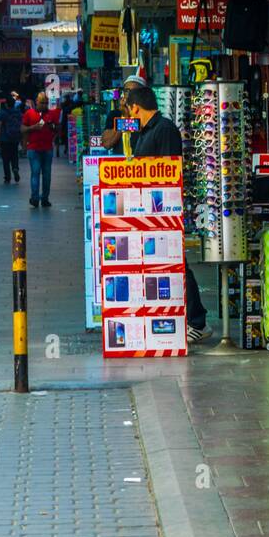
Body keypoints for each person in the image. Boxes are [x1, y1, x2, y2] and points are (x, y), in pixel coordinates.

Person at [125, 84, 211, 345]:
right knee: (162, 264)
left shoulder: (165, 129)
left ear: (135, 107)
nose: (128, 116)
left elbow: (170, 168)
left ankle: (197, 321)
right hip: (147, 209)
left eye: (129, 110)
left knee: (178, 264)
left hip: (164, 209)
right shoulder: (144, 131)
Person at [22, 92, 59, 208]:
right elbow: (22, 129)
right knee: (35, 173)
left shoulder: (51, 114)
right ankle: (34, 198)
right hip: (34, 149)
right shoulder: (29, 113)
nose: (44, 105)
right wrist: (33, 127)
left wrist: (52, 127)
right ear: (36, 102)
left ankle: (45, 198)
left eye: (46, 103)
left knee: (47, 175)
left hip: (47, 148)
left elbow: (57, 128)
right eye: (42, 102)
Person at [100, 77, 145, 156]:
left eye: (134, 91)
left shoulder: (146, 114)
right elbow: (107, 144)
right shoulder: (115, 114)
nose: (130, 95)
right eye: (127, 91)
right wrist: (124, 117)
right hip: (120, 165)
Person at [0, 95, 22, 183]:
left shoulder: (3, 113)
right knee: (15, 155)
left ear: (6, 104)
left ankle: (7, 177)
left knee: (5, 159)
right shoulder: (18, 112)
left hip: (4, 139)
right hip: (15, 138)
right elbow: (21, 125)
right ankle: (15, 168)